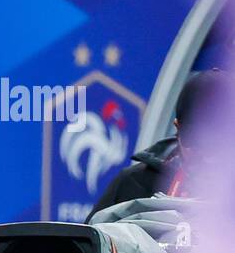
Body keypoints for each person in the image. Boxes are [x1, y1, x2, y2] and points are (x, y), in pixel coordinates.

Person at [89, 68, 229, 217]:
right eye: (196, 143)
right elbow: (88, 237)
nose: (207, 155)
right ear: (177, 127)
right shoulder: (135, 183)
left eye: (217, 144)